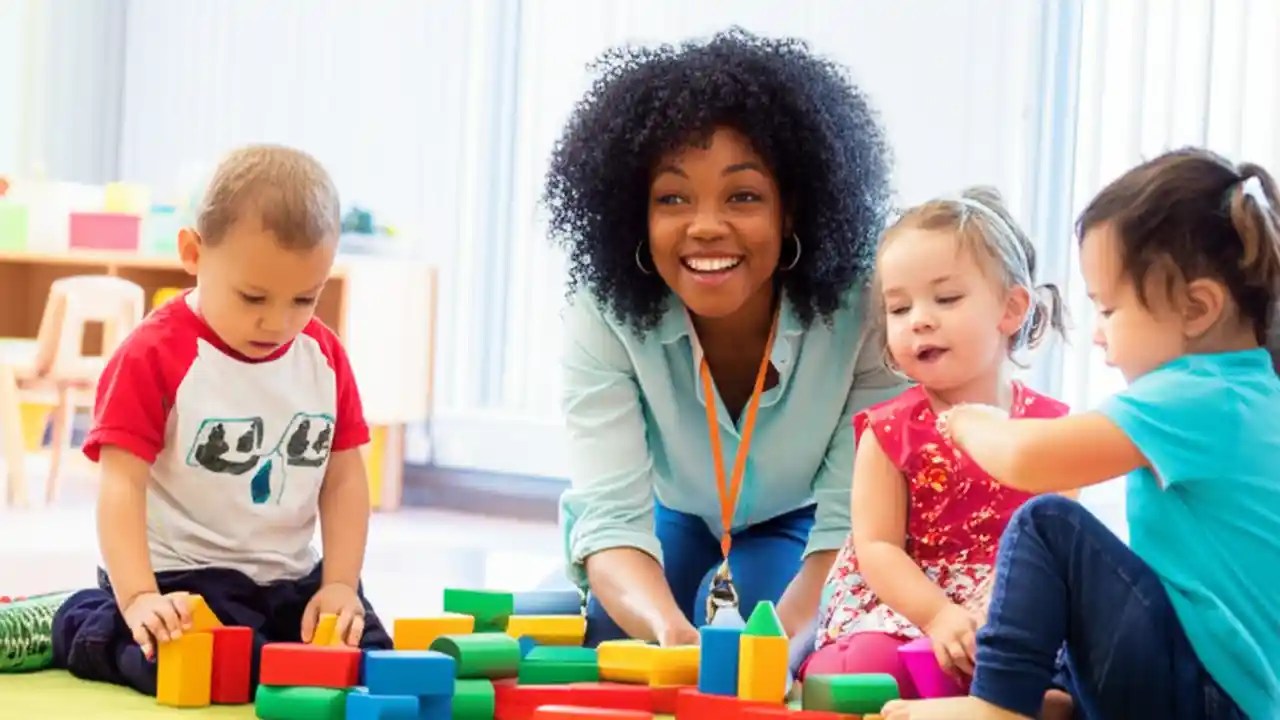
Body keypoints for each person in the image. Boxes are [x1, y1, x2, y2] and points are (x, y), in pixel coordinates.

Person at [884, 148, 1280, 719]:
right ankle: (1064, 701)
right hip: (1225, 692)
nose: (1097, 335)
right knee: (1125, 570)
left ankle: (997, 706)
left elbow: (1027, 461)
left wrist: (973, 421)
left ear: (1197, 308)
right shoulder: (1249, 388)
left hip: (1210, 699)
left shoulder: (1197, 394)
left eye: (1109, 310)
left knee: (1049, 525)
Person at [543, 27, 904, 648]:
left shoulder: (866, 304)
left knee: (785, 631)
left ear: (792, 208)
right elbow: (610, 518)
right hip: (670, 513)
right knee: (609, 636)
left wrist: (782, 650)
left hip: (800, 521)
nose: (706, 226)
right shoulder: (602, 309)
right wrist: (666, 634)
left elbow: (853, 523)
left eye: (743, 196)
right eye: (672, 197)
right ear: (638, 213)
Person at [50, 144, 392, 696]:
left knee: (368, 659)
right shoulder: (154, 353)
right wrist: (138, 596)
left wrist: (339, 584)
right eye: (253, 296)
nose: (277, 322)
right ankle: (92, 620)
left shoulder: (323, 359)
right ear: (193, 252)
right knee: (222, 670)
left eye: (305, 298)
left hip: (290, 581)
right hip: (184, 580)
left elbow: (345, 477)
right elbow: (121, 483)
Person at [802, 188, 1071, 708]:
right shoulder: (888, 431)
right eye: (899, 308)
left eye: (945, 299)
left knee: (1071, 673)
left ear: (1012, 308)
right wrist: (940, 615)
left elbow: (1058, 547)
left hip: (1014, 610)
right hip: (908, 606)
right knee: (860, 669)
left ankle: (1018, 697)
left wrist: (998, 617)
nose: (919, 319)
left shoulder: (1052, 428)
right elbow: (877, 547)